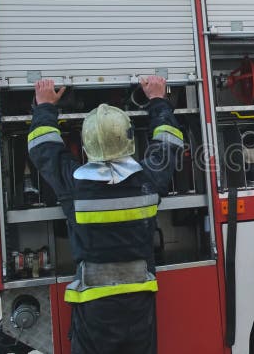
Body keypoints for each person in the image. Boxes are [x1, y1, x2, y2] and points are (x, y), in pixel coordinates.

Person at [27, 77, 181, 354]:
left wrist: (45, 106)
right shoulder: (147, 181)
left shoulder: (74, 186)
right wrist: (158, 100)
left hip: (94, 310)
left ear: (86, 147)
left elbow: (43, 149)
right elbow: (169, 142)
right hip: (138, 305)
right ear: (129, 140)